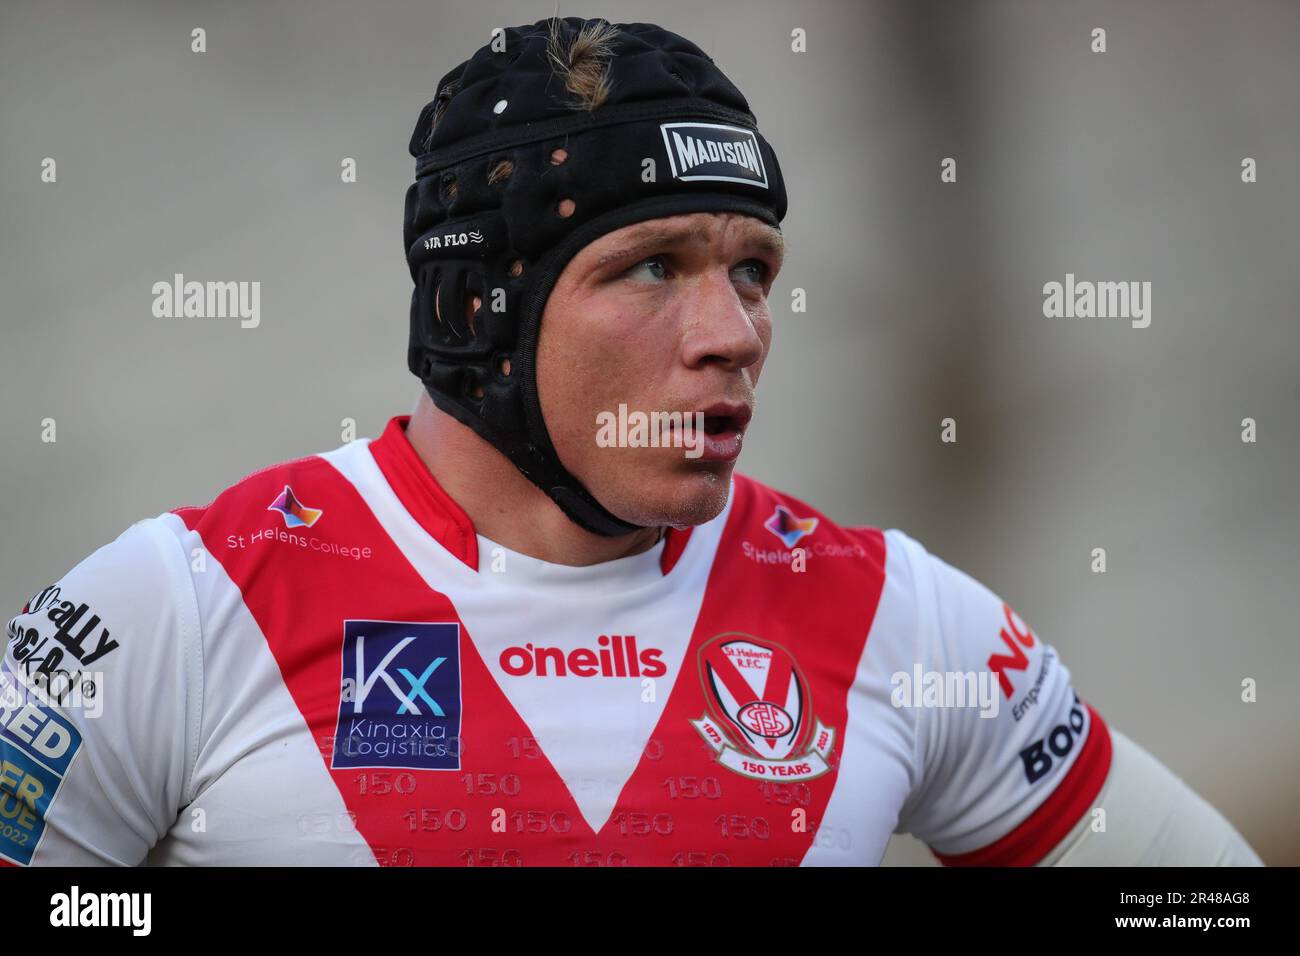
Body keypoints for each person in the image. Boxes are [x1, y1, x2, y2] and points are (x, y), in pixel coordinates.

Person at [1, 16, 1260, 867]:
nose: (735, 332)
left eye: (754, 269)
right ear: (474, 304)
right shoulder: (178, 602)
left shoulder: (894, 616)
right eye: (651, 265)